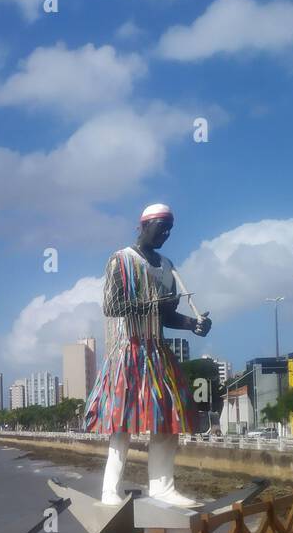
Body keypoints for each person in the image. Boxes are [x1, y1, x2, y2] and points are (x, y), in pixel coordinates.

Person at [84, 203, 211, 508]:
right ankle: (110, 490)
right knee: (121, 423)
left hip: (156, 351)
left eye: (169, 230)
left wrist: (194, 324)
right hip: (129, 350)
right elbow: (112, 307)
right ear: (143, 226)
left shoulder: (167, 265)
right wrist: (153, 304)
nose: (165, 234)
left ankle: (162, 486)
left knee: (169, 419)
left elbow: (168, 316)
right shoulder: (121, 260)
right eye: (160, 228)